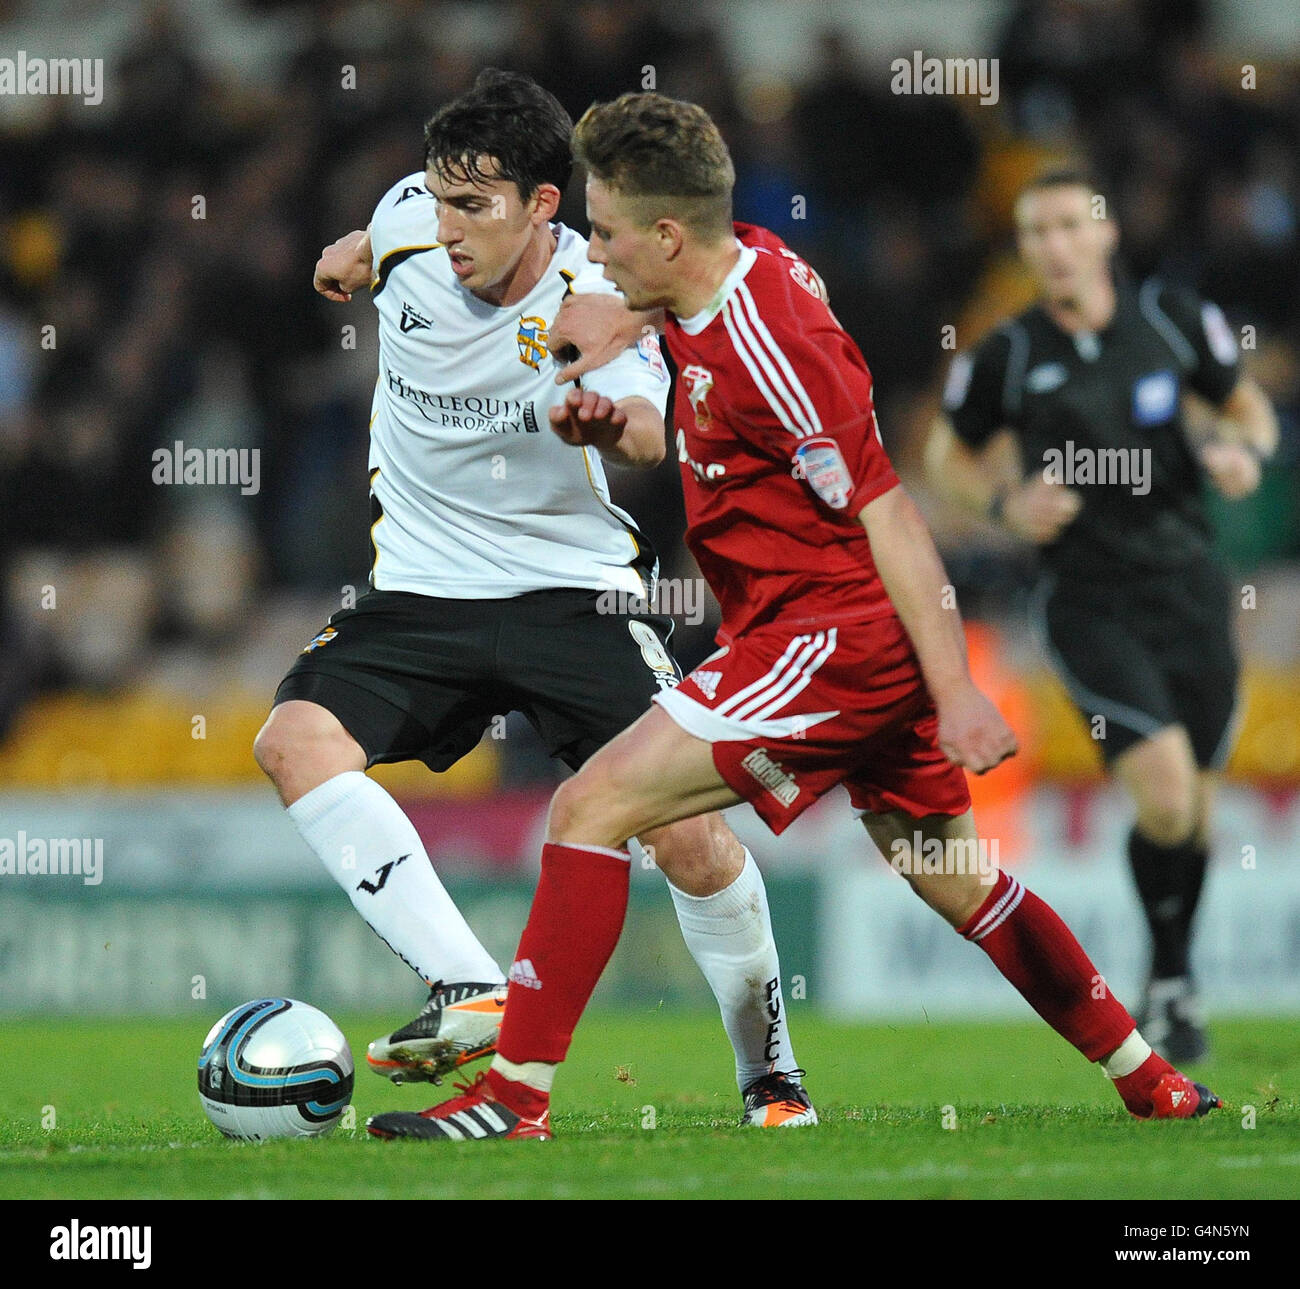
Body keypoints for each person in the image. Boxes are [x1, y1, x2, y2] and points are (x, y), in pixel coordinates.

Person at [366, 95, 1221, 1144]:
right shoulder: (734, 266)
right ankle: (1148, 1078)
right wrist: (625, 357)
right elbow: (694, 339)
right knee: (957, 877)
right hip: (831, 638)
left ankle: (515, 1095)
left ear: (667, 237)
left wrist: (958, 690)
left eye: (606, 232)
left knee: (591, 804)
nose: (590, 251)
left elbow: (891, 511)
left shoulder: (780, 338)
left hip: (828, 637)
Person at [255, 70, 816, 1129]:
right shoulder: (409, 220)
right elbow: (378, 237)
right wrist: (352, 253)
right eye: (437, 197)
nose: (446, 222)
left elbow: (654, 434)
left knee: (691, 837)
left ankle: (771, 1076)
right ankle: (468, 983)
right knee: (293, 742)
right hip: (418, 588)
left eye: (475, 205)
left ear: (544, 208)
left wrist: (607, 424)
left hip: (576, 594)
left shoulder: (599, 305)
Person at [926, 170, 1278, 1062]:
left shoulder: (1170, 322)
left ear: (1105, 232)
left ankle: (1170, 977)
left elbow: (1247, 408)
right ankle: (1168, 986)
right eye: (1032, 231)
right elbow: (946, 453)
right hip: (1086, 600)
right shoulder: (1006, 353)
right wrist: (1007, 506)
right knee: (1164, 791)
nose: (1050, 244)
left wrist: (1243, 450)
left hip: (1192, 589)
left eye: (1065, 226)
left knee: (1191, 810)